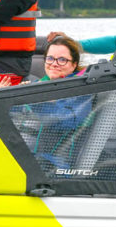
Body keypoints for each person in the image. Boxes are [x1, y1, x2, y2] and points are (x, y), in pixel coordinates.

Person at [16, 34, 93, 170]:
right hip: (23, 153)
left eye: (62, 60)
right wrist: (4, 99)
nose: (54, 64)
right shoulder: (36, 85)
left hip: (53, 164)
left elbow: (65, 120)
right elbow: (13, 116)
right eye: (50, 58)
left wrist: (34, 100)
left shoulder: (82, 91)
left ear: (73, 65)